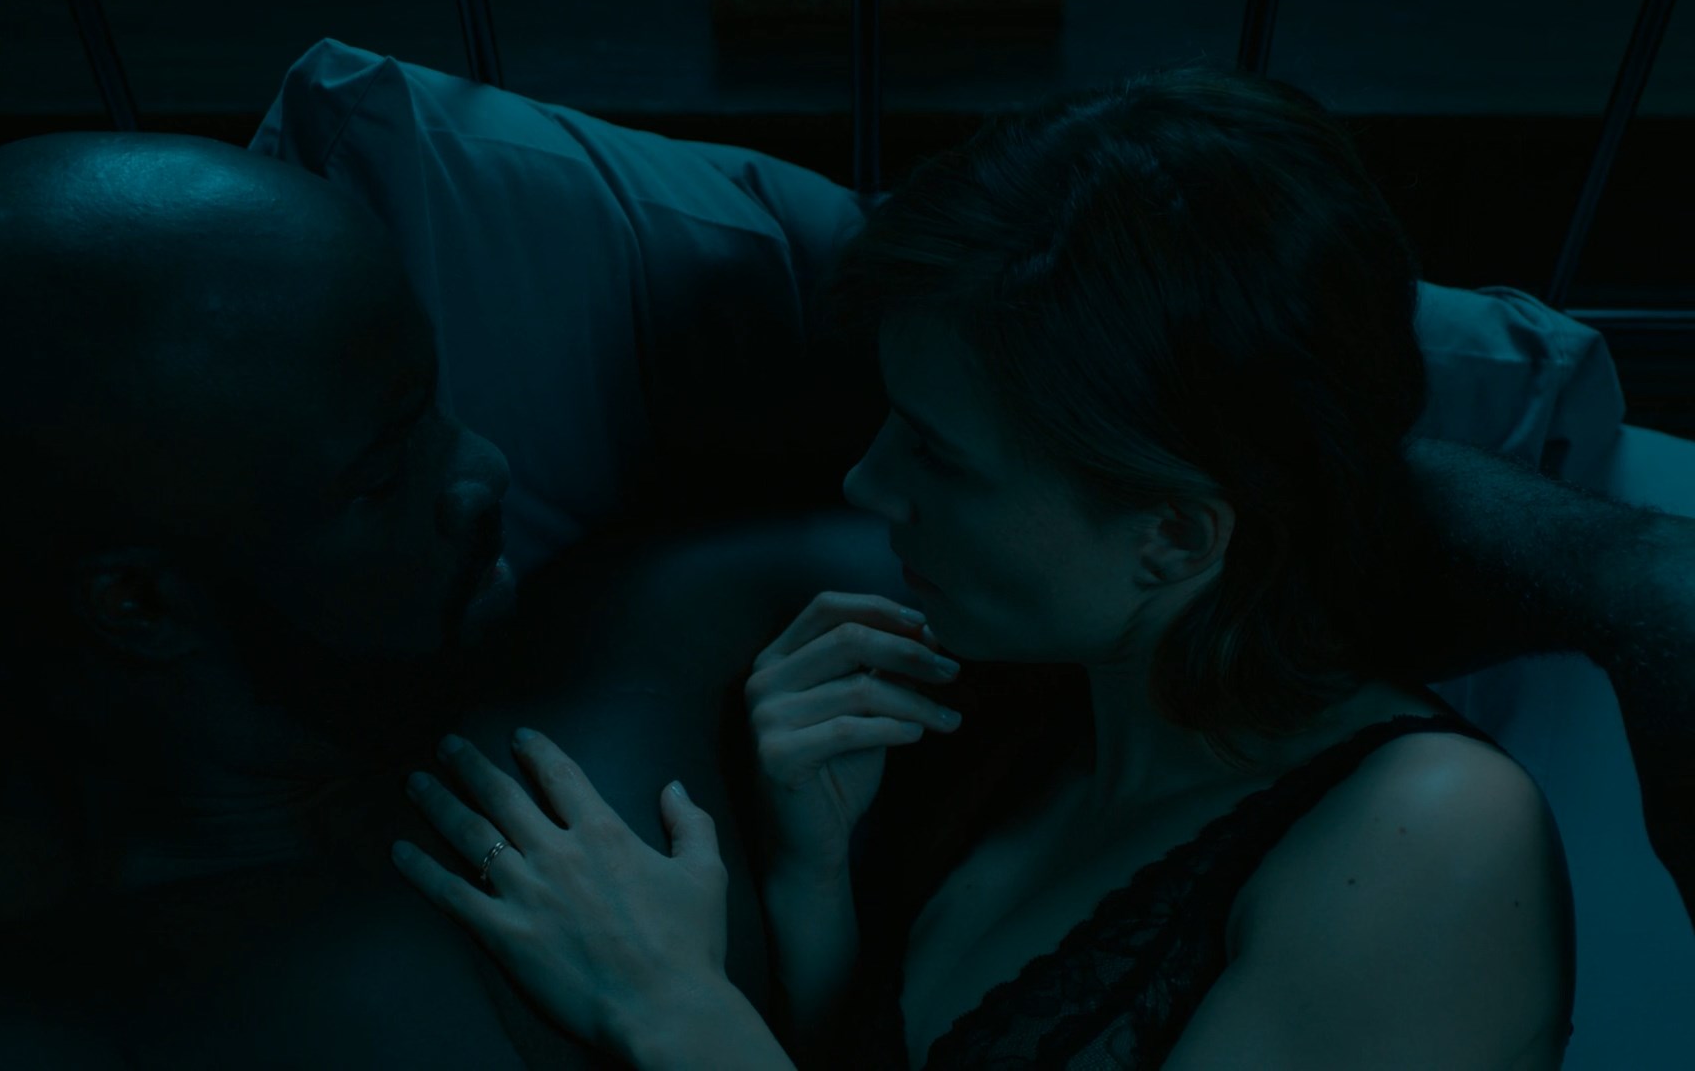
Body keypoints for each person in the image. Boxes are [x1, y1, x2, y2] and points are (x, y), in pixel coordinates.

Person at [388, 66, 1694, 1070]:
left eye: (942, 457)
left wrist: (679, 1015)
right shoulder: (1050, 719)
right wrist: (812, 880)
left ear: (1173, 536)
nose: (867, 485)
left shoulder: (1429, 842)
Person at [0, 129, 906, 1067]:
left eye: (429, 402)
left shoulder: (681, 638)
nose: (483, 471)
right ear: (139, 603)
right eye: (377, 478)